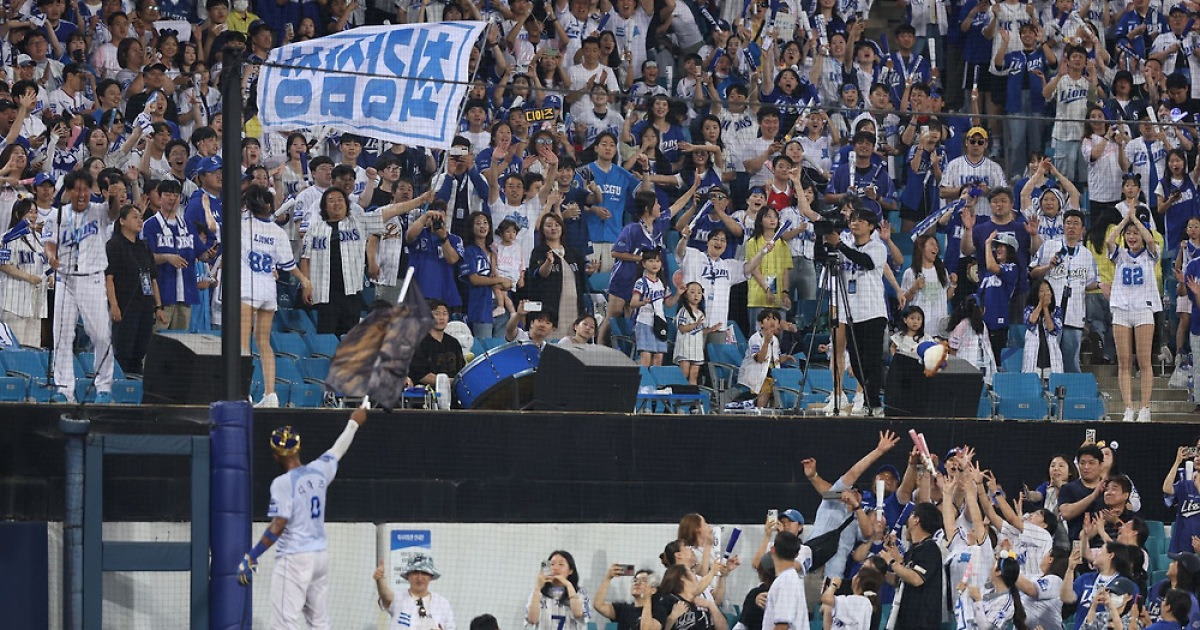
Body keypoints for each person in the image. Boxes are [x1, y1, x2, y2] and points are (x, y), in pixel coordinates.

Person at [236, 404, 369, 627]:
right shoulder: (319, 470)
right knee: (319, 623)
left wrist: (253, 555)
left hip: (294, 557)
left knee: (284, 623)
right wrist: (354, 423)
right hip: (319, 557)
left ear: (276, 455)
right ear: (298, 448)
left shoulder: (282, 483)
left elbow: (279, 524)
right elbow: (338, 450)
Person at [43, 169, 119, 403]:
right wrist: (51, 257)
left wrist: (113, 196)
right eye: (77, 189)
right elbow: (49, 243)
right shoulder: (57, 215)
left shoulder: (98, 211)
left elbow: (114, 213)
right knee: (62, 336)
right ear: (69, 191)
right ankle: (64, 390)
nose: (82, 193)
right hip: (66, 280)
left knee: (101, 335)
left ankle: (104, 387)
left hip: (92, 279)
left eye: (86, 189)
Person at [240, 185, 313, 408]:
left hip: (248, 289)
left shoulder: (241, 225)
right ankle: (270, 394)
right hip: (268, 291)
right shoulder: (278, 232)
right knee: (263, 343)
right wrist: (304, 280)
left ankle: (242, 392)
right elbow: (289, 265)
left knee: (242, 344)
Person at [819, 208, 894, 417]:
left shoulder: (877, 247)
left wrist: (840, 245)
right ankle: (871, 400)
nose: (855, 223)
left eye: (860, 221)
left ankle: (874, 403)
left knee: (872, 360)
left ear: (871, 226)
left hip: (873, 312)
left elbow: (866, 262)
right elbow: (822, 259)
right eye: (852, 220)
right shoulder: (845, 245)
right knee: (857, 363)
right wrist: (821, 238)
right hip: (850, 313)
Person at [1107, 210, 1162, 423]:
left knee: (1144, 360)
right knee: (1124, 362)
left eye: (1135, 233)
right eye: (1129, 234)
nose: (1132, 237)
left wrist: (1136, 220)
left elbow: (1151, 240)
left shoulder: (1150, 254)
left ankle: (1144, 407)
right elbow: (1110, 240)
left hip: (1143, 310)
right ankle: (1128, 407)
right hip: (1121, 309)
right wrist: (1125, 220)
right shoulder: (1120, 254)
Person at [1029, 209, 1099, 373]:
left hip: (1074, 315)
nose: (1071, 227)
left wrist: (1101, 285)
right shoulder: (1049, 246)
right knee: (1048, 361)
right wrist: (1048, 266)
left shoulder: (1087, 255)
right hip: (1051, 314)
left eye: (1076, 224)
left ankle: (1071, 389)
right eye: (1068, 223)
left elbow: (1089, 283)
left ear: (1082, 229)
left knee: (1071, 362)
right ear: (1063, 226)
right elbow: (1032, 272)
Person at [105, 204, 167, 378]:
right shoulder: (114, 245)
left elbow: (152, 278)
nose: (140, 221)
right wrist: (114, 305)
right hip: (126, 306)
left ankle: (137, 382)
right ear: (122, 221)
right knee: (124, 349)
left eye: (140, 217)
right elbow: (109, 278)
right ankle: (120, 383)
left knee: (140, 349)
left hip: (145, 305)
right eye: (135, 217)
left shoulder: (144, 246)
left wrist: (158, 306)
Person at [880, 502, 944, 629]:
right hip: (905, 621)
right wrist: (880, 573)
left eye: (911, 515)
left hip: (922, 625)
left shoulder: (930, 549)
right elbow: (900, 580)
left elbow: (916, 579)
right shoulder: (913, 550)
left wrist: (891, 562)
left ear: (916, 520)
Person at [373, 554, 456, 630]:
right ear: (408, 575)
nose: (419, 578)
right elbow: (385, 597)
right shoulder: (398, 597)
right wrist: (380, 579)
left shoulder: (442, 603)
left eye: (424, 573)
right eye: (415, 572)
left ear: (431, 576)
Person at [408, 299, 466, 405]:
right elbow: (421, 375)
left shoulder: (453, 343)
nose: (441, 317)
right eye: (436, 314)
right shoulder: (419, 343)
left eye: (445, 314)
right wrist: (448, 383)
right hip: (428, 397)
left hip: (454, 395)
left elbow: (461, 370)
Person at [953, 552, 1027, 630]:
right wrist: (965, 592)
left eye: (993, 565)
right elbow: (967, 613)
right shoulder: (987, 590)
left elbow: (986, 628)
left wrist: (978, 600)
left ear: (998, 572)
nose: (990, 568)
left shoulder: (1006, 601)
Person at [527, 550, 590, 630]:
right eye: (552, 564)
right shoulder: (538, 592)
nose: (555, 568)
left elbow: (578, 614)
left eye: (561, 564)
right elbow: (532, 620)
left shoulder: (581, 593)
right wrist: (537, 588)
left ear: (570, 570)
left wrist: (568, 585)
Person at [1058, 444, 1109, 541]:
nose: (1086, 467)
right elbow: (1065, 513)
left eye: (1091, 463)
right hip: (1078, 544)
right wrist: (1094, 495)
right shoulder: (1068, 488)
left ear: (1101, 465)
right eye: (1082, 463)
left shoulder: (1110, 488)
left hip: (1109, 543)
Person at [592, 566, 657, 630]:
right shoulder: (623, 609)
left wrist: (647, 597)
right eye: (635, 580)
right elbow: (599, 605)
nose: (637, 583)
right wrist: (608, 578)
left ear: (653, 590)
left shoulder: (658, 611)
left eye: (644, 581)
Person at [1022, 279, 1064, 376]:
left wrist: (1045, 308)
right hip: (1033, 353)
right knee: (1032, 379)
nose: (1045, 293)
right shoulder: (1029, 309)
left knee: (1051, 379)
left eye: (1048, 290)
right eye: (1041, 291)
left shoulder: (1056, 311)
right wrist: (1041, 304)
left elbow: (1052, 328)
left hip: (1050, 354)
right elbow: (1031, 321)